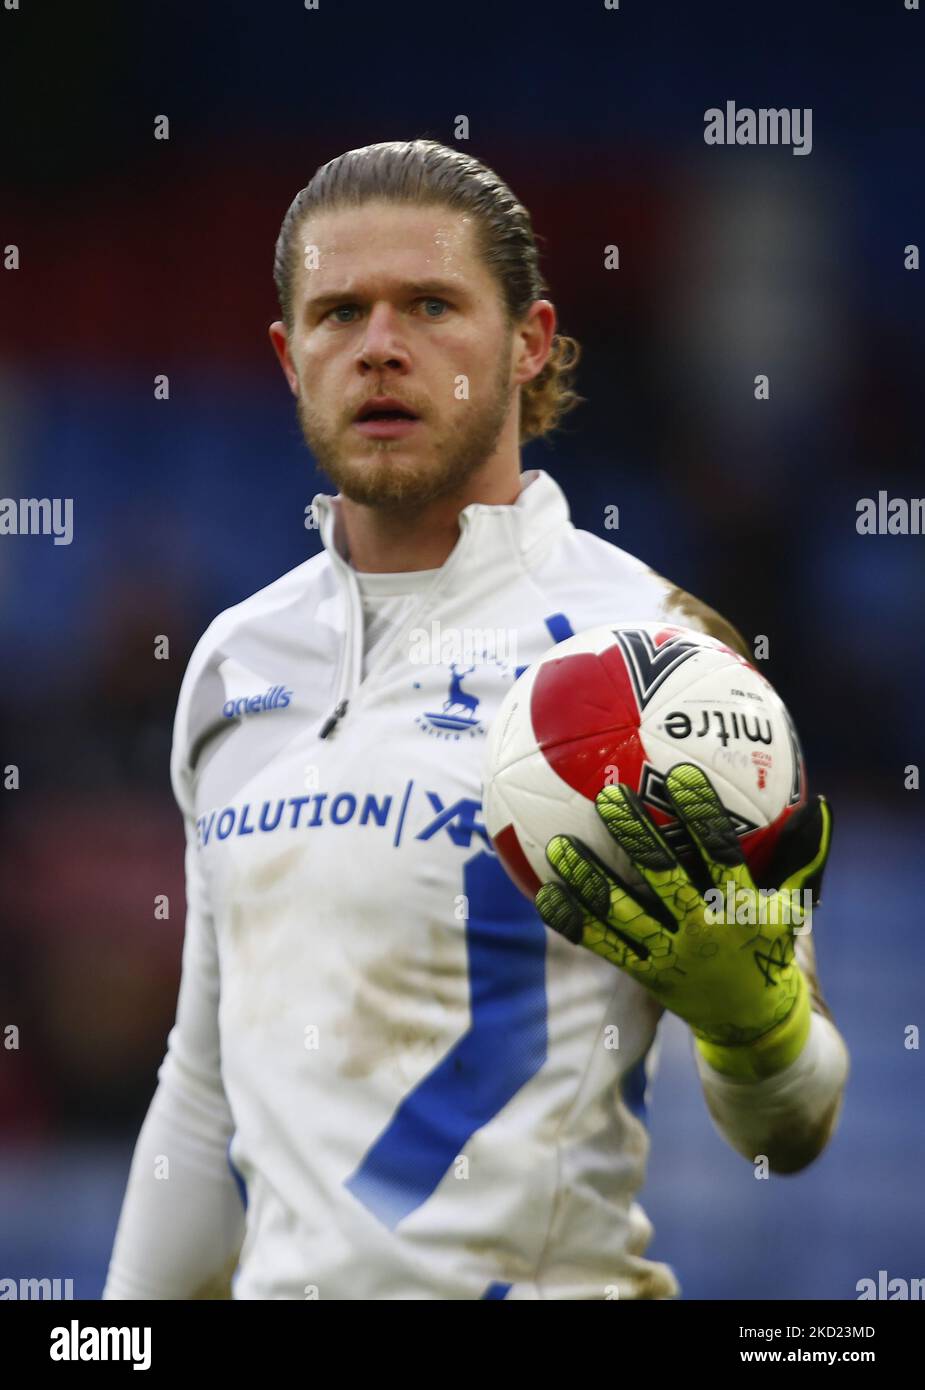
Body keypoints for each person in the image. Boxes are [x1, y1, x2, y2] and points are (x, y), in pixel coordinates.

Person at [103, 139, 849, 1301]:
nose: (381, 346)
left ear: (530, 344)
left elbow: (787, 1131)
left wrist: (750, 1020)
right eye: (338, 312)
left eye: (431, 306)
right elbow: (203, 1095)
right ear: (289, 357)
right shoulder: (232, 663)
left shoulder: (658, 660)